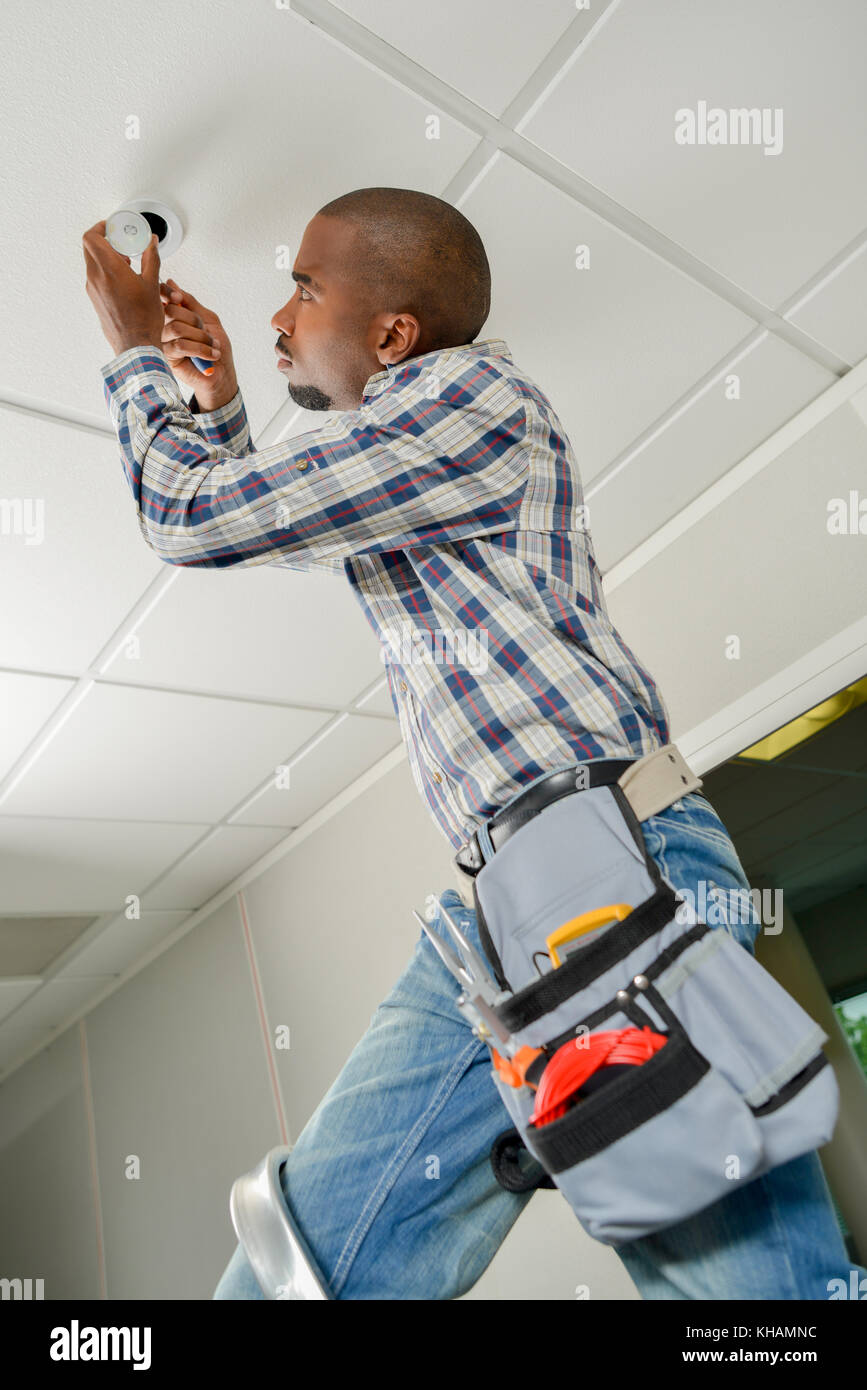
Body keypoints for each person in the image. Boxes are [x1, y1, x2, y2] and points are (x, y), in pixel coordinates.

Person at [85, 187, 860, 1300]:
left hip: (604, 875)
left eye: (304, 287)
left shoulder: (474, 403)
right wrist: (214, 406)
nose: (278, 317)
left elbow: (193, 518)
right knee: (292, 1268)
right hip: (518, 904)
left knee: (757, 1310)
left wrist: (132, 357)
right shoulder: (423, 463)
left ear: (396, 335)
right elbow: (277, 513)